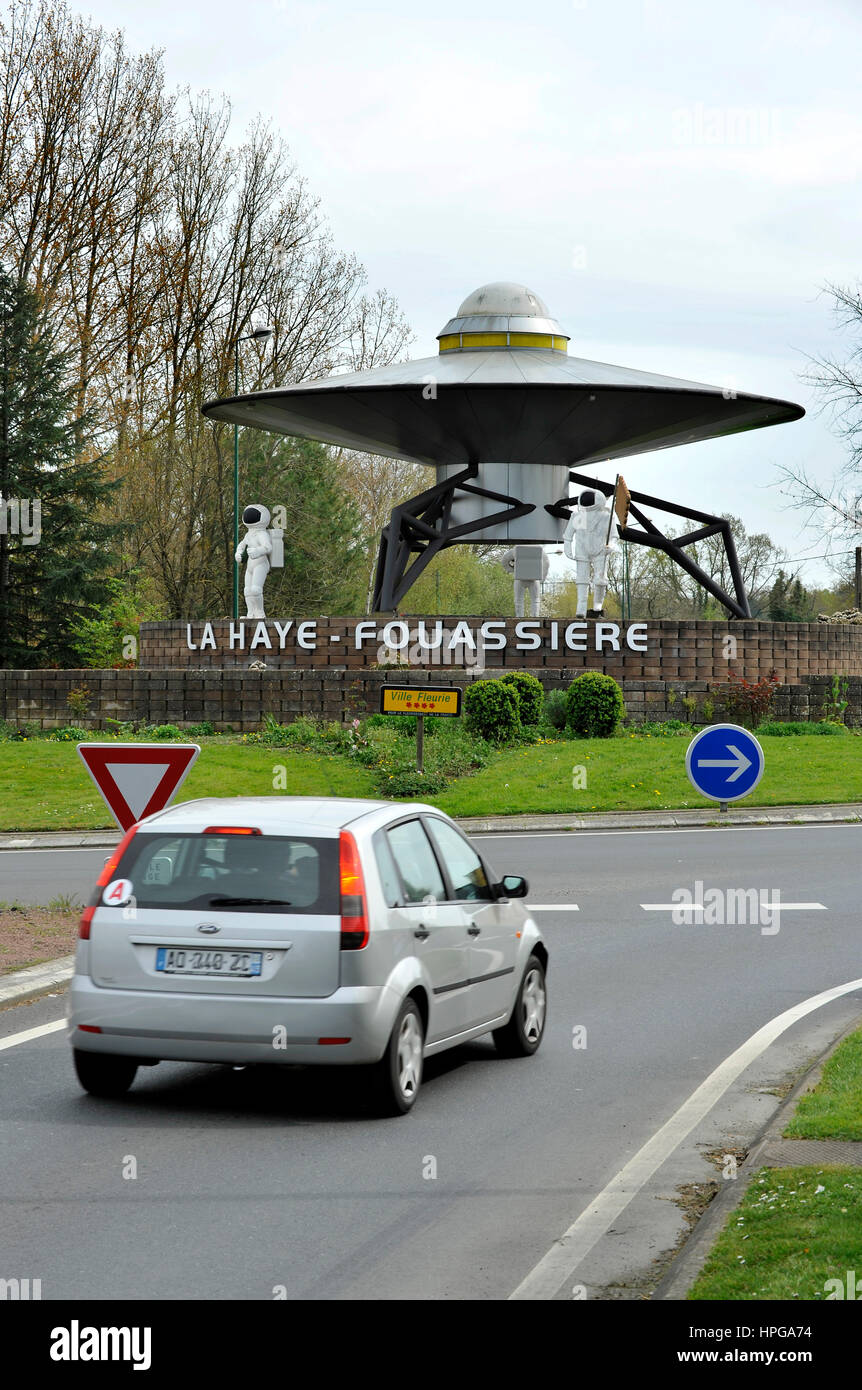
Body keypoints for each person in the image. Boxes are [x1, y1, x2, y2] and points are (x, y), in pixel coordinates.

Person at [563, 490, 616, 618]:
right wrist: (567, 547)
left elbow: (614, 536)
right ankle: (581, 607)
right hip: (582, 550)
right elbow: (568, 534)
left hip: (601, 550)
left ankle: (597, 607)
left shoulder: (606, 517)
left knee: (600, 579)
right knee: (582, 579)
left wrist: (611, 546)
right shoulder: (578, 516)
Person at [235, 504, 273, 618]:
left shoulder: (262, 533)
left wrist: (258, 551)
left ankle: (259, 612)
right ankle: (250, 613)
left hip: (261, 564)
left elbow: (268, 547)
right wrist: (238, 553)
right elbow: (241, 545)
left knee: (256, 589)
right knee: (247, 591)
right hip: (250, 566)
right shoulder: (249, 534)